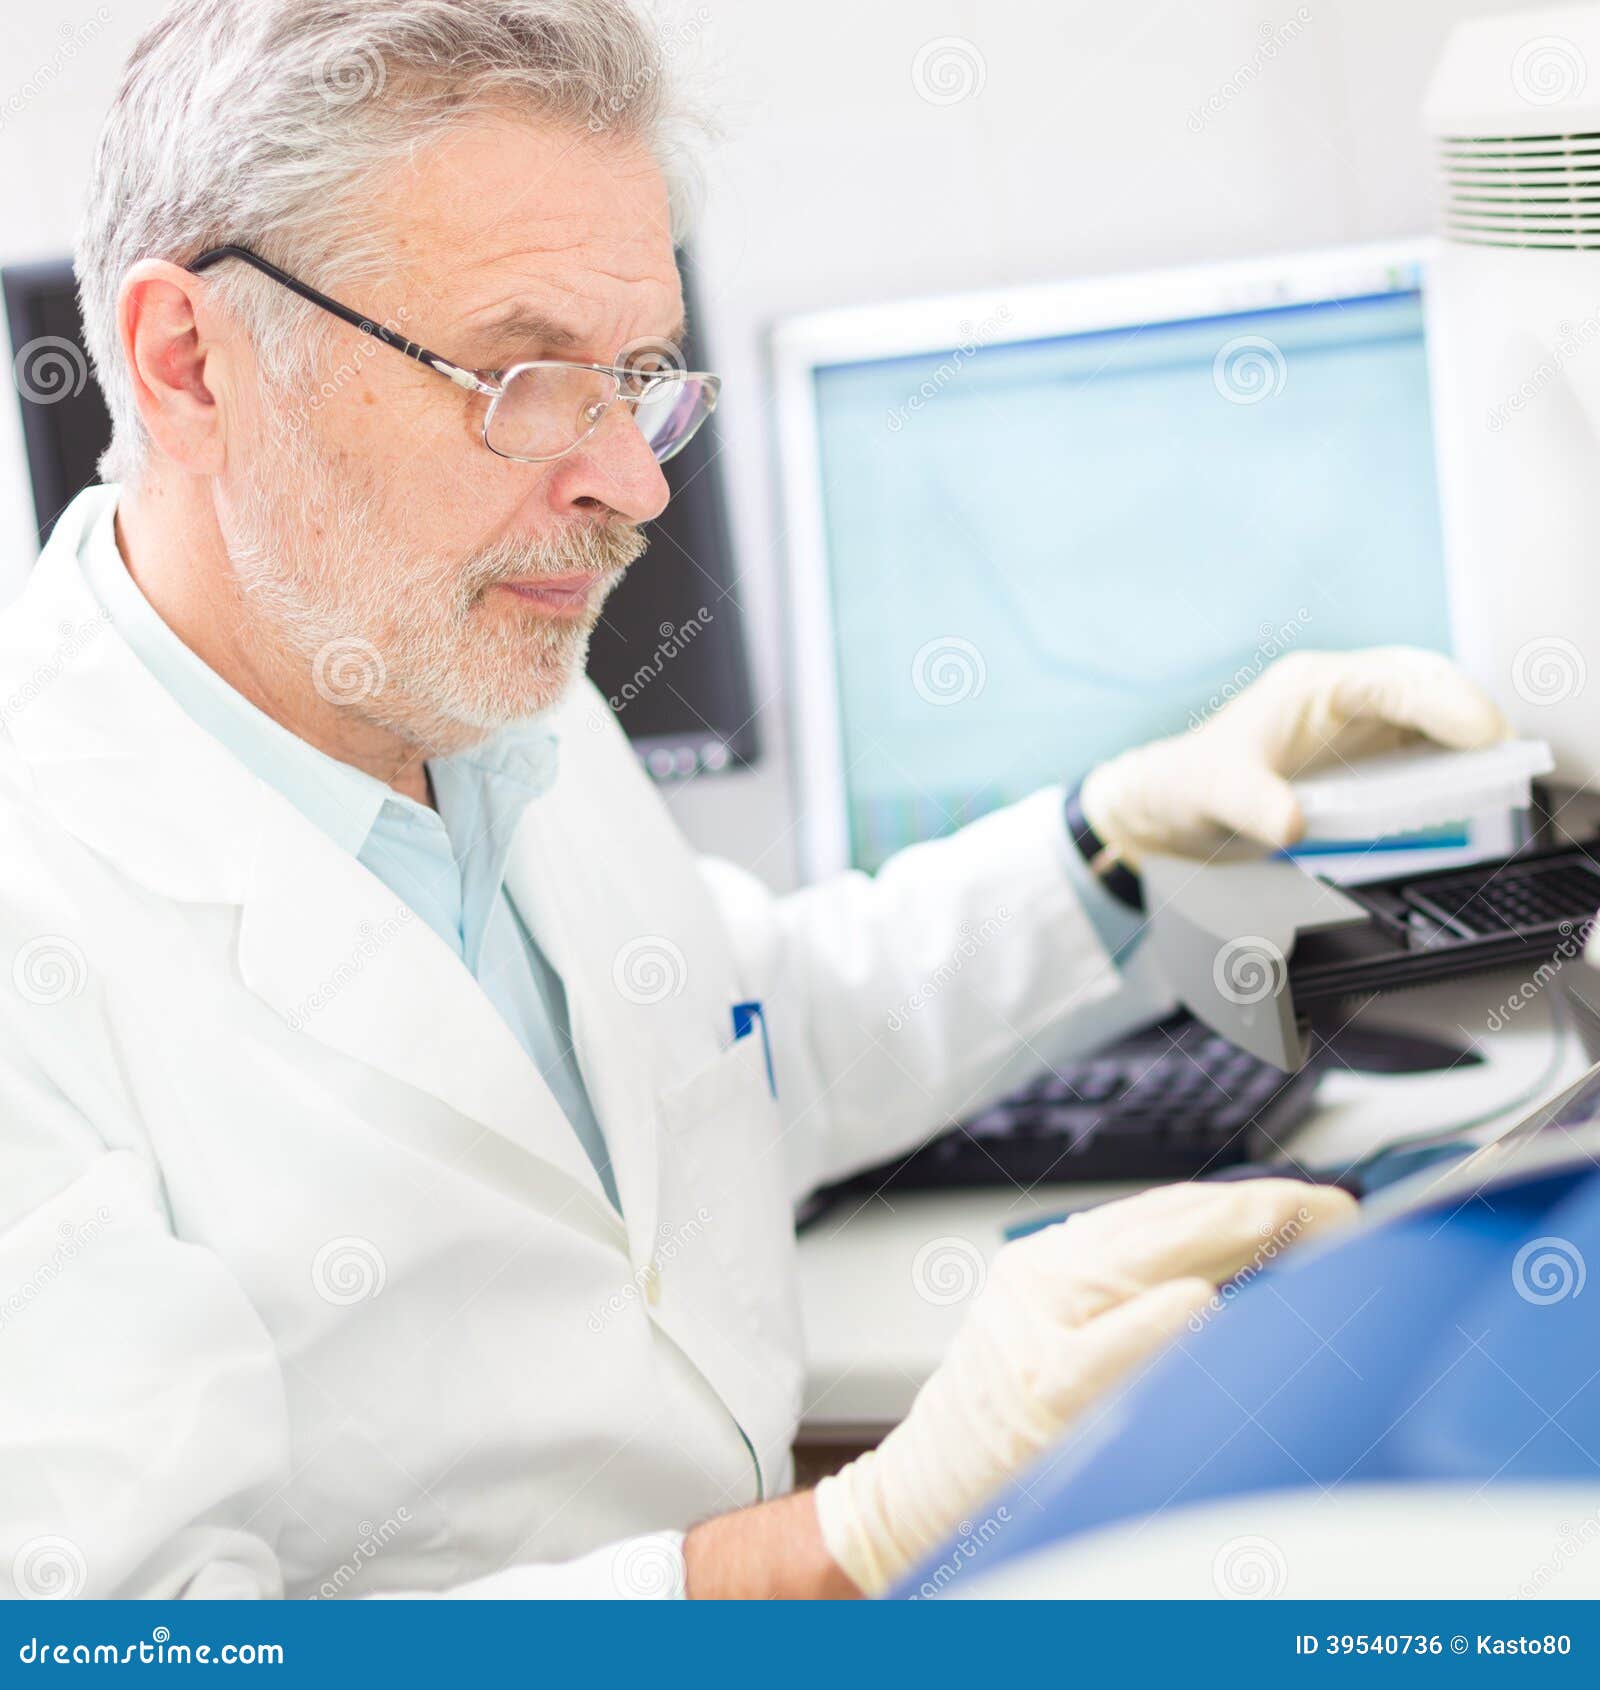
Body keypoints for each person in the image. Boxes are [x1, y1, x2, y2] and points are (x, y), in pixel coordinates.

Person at [0, 0, 1502, 1601]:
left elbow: (717, 1048)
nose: (632, 485)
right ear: (190, 366)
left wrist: (1112, 850)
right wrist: (839, 1541)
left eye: (638, 377)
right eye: (520, 373)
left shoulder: (443, 654)